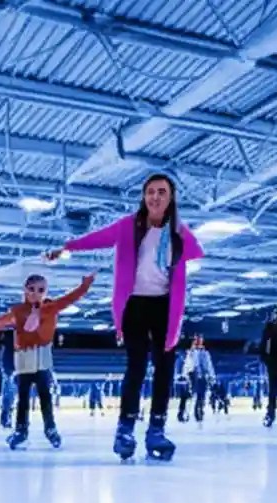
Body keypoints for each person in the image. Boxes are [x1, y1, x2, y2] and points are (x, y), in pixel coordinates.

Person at [51, 173, 203, 461]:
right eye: (150, 192)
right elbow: (96, 238)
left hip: (165, 308)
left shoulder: (180, 234)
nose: (155, 197)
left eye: (161, 192)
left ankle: (156, 428)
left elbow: (196, 256)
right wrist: (67, 247)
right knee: (136, 366)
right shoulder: (127, 227)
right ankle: (125, 428)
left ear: (171, 198)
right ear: (144, 196)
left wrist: (175, 326)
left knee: (165, 368)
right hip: (134, 305)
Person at [0, 273, 94, 449]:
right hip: (24, 361)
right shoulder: (18, 311)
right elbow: (1, 321)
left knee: (45, 397)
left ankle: (50, 429)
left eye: (41, 290)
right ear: (25, 290)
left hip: (43, 360)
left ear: (46, 291)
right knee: (23, 398)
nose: (36, 293)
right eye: (32, 289)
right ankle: (21, 430)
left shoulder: (51, 307)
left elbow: (70, 299)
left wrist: (84, 286)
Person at [185, 334, 216, 423]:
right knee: (196, 394)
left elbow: (209, 365)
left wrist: (211, 376)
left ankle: (199, 411)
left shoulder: (204, 353)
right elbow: (188, 364)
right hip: (194, 375)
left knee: (201, 395)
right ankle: (195, 411)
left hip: (202, 376)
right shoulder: (191, 353)